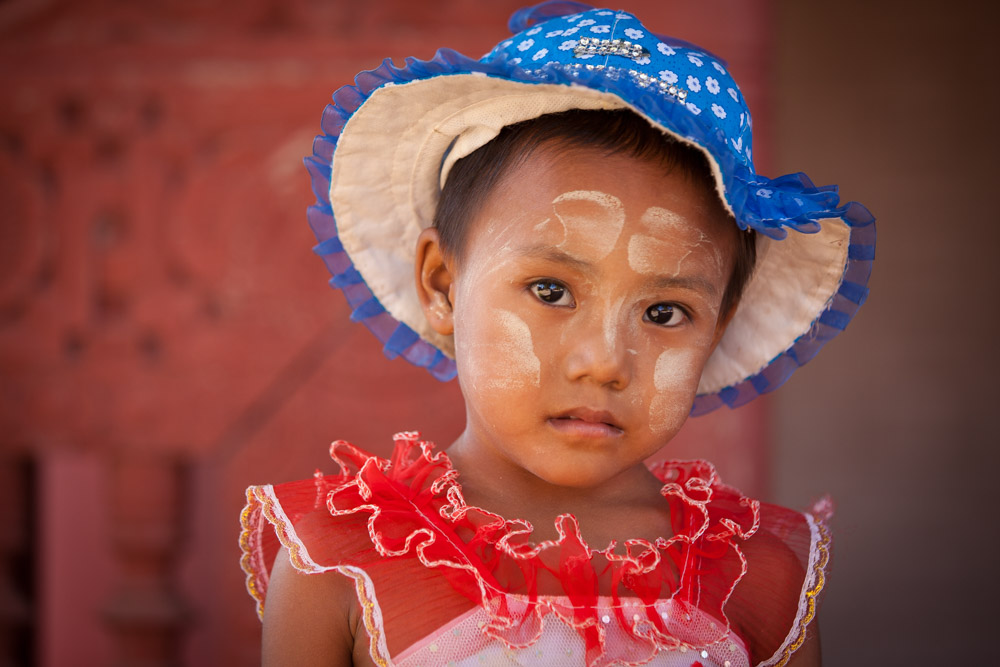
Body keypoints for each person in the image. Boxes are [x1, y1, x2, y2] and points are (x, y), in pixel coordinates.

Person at [239, 3, 875, 665]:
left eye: (664, 312)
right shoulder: (343, 564)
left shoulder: (760, 579)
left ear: (719, 324)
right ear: (441, 284)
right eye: (550, 291)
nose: (604, 361)